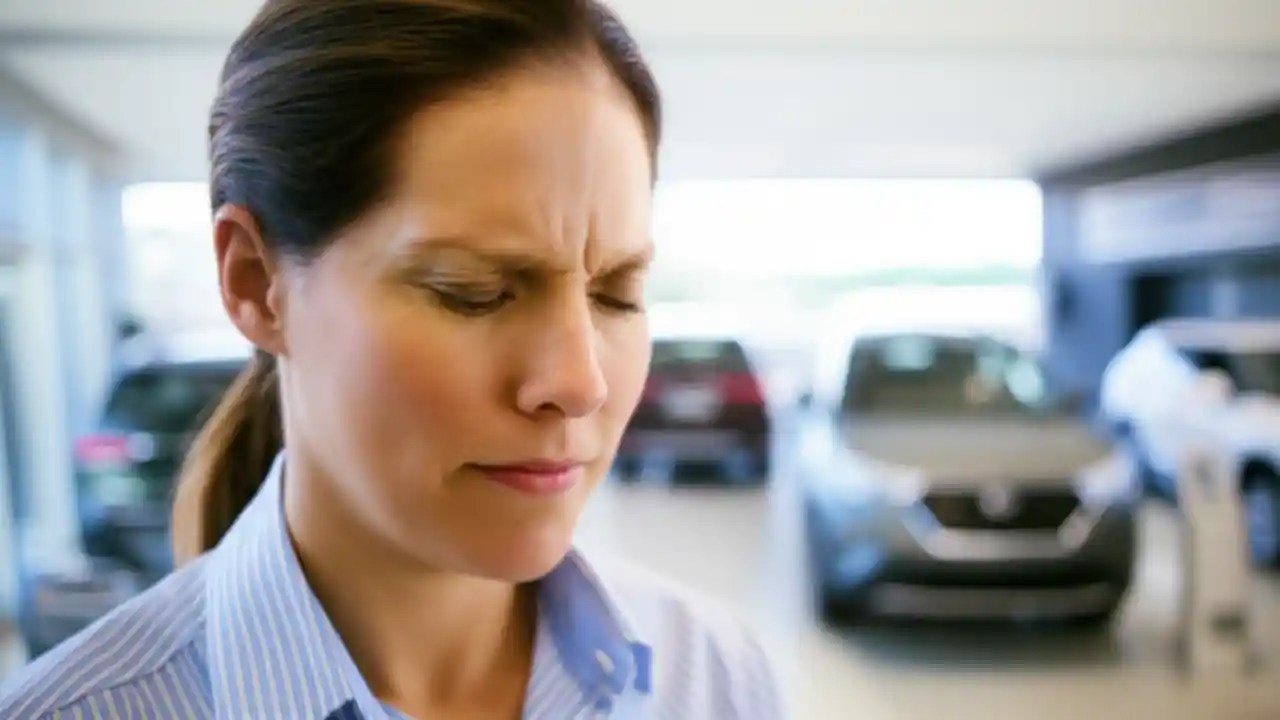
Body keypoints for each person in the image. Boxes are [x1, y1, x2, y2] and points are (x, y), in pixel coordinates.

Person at [0, 1, 784, 718]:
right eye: (472, 291)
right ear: (255, 283)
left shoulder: (711, 677)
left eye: (615, 293)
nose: (580, 383)